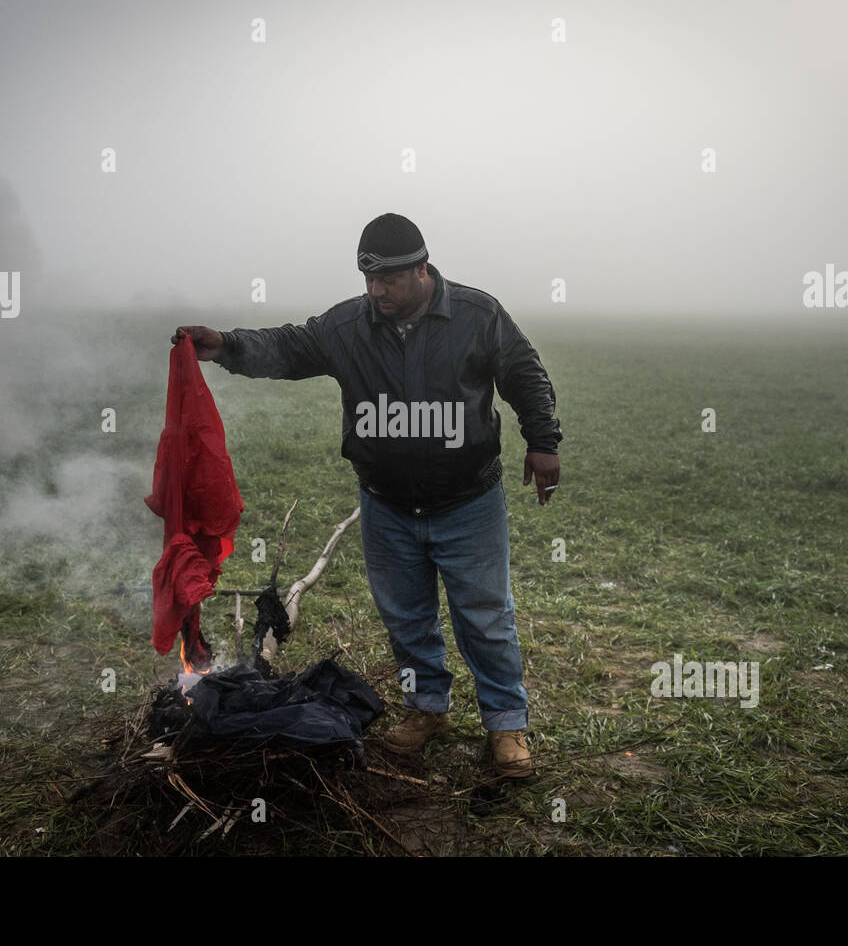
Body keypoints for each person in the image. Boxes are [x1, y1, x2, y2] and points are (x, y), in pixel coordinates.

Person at [172, 213, 561, 778]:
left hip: (468, 503)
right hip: (386, 505)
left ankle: (506, 726)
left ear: (421, 269)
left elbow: (524, 374)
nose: (376, 291)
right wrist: (227, 345)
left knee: (485, 618)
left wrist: (542, 441)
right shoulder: (348, 326)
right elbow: (289, 347)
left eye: (389, 281)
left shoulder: (478, 315)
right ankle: (427, 709)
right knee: (406, 618)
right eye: (368, 279)